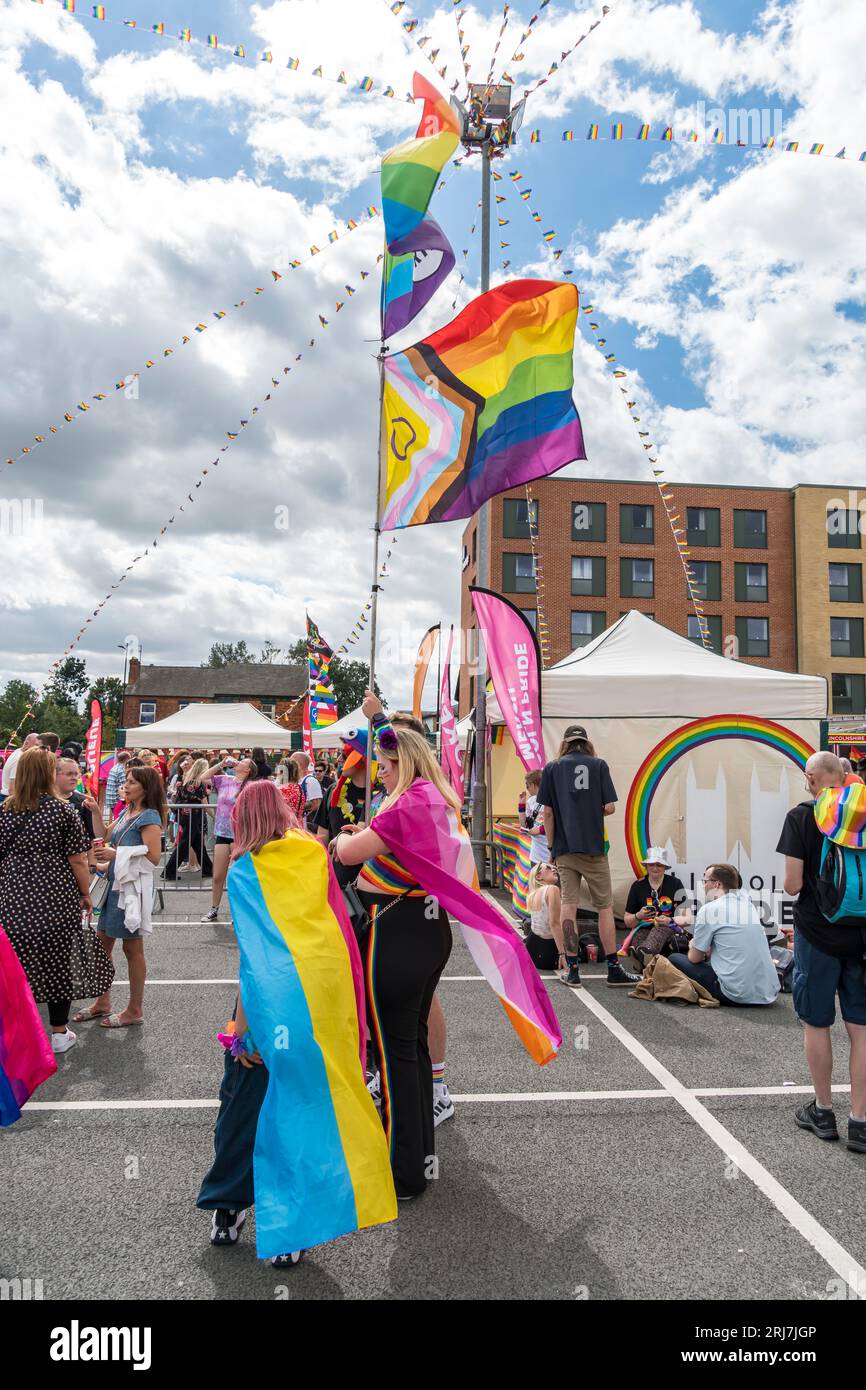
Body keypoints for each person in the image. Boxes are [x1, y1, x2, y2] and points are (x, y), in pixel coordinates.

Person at [197, 780, 396, 1262]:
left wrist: (241, 1032)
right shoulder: (313, 856)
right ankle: (295, 1229)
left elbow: (255, 960)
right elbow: (338, 932)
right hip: (323, 995)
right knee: (306, 1106)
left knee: (245, 1098)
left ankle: (228, 1206)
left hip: (272, 998)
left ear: (243, 818)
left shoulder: (247, 870)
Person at [366, 695, 454, 1126]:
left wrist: (378, 717)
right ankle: (420, 1101)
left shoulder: (414, 799)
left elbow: (349, 852)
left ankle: (433, 1090)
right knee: (407, 1035)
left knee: (405, 1035)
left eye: (387, 762)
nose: (380, 769)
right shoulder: (426, 793)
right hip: (420, 923)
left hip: (407, 922)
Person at [777, 751, 866, 1152]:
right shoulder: (862, 816)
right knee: (861, 1029)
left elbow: (793, 885)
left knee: (817, 1022)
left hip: (818, 931)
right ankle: (860, 1122)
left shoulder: (802, 816)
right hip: (862, 934)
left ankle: (824, 1110)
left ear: (814, 778)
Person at [0, 748, 113, 1053]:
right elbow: (78, 859)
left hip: (13, 897)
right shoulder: (61, 810)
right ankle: (59, 1033)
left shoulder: (6, 810)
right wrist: (86, 893)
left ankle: (16, 1032)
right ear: (47, 774)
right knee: (58, 964)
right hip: (55, 896)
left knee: (14, 966)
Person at [537, 724, 638, 990]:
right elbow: (610, 806)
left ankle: (572, 968)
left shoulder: (552, 768)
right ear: (586, 743)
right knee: (604, 907)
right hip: (594, 848)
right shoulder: (599, 765)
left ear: (566, 743)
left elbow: (547, 813)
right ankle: (613, 968)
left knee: (569, 905)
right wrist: (591, 811)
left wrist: (550, 846)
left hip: (565, 848)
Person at [74, 766, 166, 1029]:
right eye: (126, 781)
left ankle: (134, 1009)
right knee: (104, 946)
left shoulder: (148, 816)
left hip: (131, 892)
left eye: (131, 782)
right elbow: (103, 834)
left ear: (145, 787)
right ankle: (104, 1002)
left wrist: (116, 856)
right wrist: (93, 810)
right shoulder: (128, 811)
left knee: (132, 948)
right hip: (117, 887)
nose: (125, 785)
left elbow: (153, 857)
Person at [666, 863, 779, 1008]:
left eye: (705, 881)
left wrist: (693, 945)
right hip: (768, 993)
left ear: (717, 884)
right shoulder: (748, 905)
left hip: (735, 994)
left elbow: (694, 959)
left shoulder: (709, 909)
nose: (704, 885)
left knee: (674, 958)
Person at [200, 756, 257, 923]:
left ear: (248, 770)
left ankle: (238, 912)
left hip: (240, 835)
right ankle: (214, 909)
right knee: (218, 876)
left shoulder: (250, 787)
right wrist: (221, 764)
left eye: (243, 762)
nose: (239, 762)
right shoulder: (225, 780)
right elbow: (203, 778)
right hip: (222, 834)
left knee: (237, 877)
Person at [623, 847, 693, 963]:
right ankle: (643, 957)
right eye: (651, 864)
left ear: (665, 867)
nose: (655, 868)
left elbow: (688, 919)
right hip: (643, 927)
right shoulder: (637, 886)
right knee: (639, 935)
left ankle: (645, 955)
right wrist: (639, 916)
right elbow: (627, 921)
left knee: (658, 930)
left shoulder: (675, 884)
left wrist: (670, 920)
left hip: (669, 929)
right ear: (646, 866)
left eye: (659, 865)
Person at [164, 758, 213, 880]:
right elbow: (205, 805)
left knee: (197, 844)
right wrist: (216, 816)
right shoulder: (198, 784)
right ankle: (169, 871)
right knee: (184, 844)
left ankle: (208, 869)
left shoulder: (187, 781)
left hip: (185, 816)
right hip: (194, 816)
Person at [55, 757, 105, 848]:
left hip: (79, 858)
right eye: (69, 774)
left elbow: (92, 837)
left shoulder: (83, 802)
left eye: (76, 774)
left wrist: (92, 862)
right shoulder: (45, 801)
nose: (74, 778)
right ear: (55, 775)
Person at [524, 862, 566, 971]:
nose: (554, 869)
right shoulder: (552, 889)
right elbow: (554, 924)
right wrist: (562, 954)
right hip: (548, 953)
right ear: (538, 876)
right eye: (548, 868)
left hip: (531, 950)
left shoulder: (533, 894)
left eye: (554, 867)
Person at [518, 770, 550, 865]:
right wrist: (521, 804)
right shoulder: (531, 801)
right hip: (535, 855)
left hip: (549, 853)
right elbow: (524, 824)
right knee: (535, 879)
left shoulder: (551, 799)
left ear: (532, 784)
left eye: (527, 785)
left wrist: (540, 830)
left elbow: (558, 823)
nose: (527, 789)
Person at [1, 731, 40, 800]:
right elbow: (12, 790)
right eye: (36, 745)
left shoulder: (19, 751)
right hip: (9, 798)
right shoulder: (20, 759)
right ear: (26, 743)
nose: (39, 748)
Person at [290, 752, 322, 830]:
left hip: (307, 829)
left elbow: (317, 804)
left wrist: (292, 806)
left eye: (291, 762)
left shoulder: (310, 780)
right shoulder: (297, 781)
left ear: (298, 764)